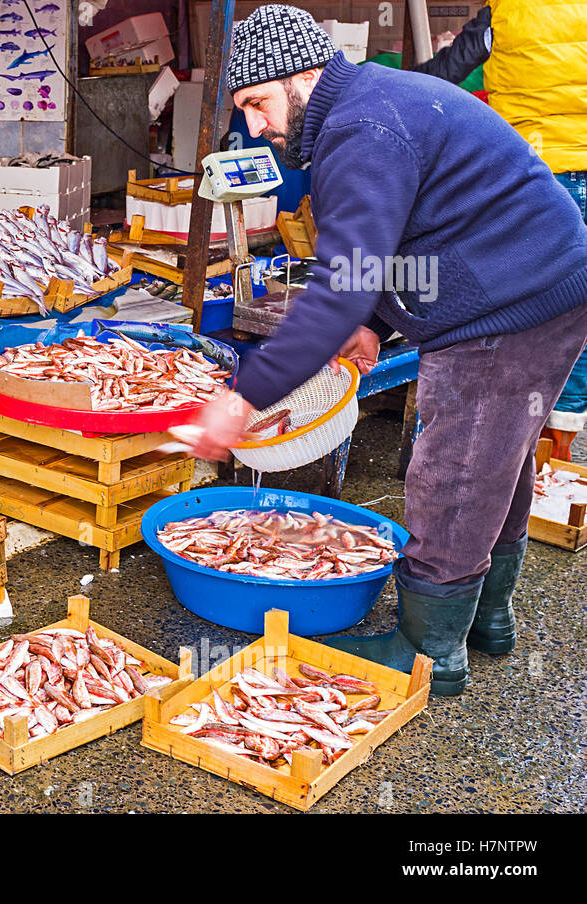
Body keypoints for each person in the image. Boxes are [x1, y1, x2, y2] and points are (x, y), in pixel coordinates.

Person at [190, 5, 587, 695]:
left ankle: (429, 653)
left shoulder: (360, 127)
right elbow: (390, 236)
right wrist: (373, 317)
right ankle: (486, 622)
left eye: (256, 104)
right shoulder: (368, 102)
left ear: (303, 75)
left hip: (507, 303)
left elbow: (337, 286)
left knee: (454, 468)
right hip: (538, 281)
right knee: (498, 455)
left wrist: (243, 394)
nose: (253, 125)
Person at [485, 0, 587, 459]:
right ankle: (560, 449)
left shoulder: (507, 10)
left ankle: (523, 440)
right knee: (578, 311)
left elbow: (456, 61)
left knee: (525, 303)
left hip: (530, 166)